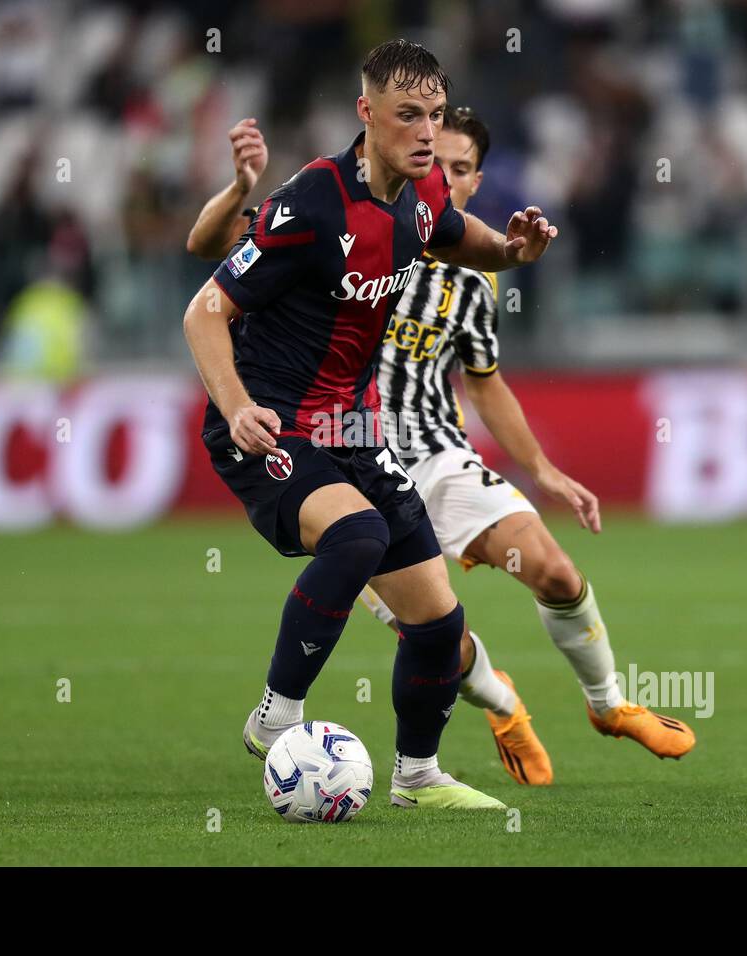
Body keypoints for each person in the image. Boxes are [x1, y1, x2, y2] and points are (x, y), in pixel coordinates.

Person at [188, 108, 696, 787]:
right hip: (350, 448)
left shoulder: (468, 275)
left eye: (459, 169)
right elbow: (213, 251)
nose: (443, 177)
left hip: (435, 452)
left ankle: (609, 705)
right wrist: (242, 186)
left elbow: (484, 384)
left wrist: (543, 468)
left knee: (553, 569)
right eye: (435, 163)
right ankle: (500, 711)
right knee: (440, 638)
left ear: (475, 180)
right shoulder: (341, 224)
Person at [180, 39, 557, 810]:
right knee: (357, 538)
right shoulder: (313, 200)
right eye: (408, 116)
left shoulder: (423, 198)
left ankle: (417, 776)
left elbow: (467, 239)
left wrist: (515, 252)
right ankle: (277, 712)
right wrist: (236, 408)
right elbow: (205, 309)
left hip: (351, 428)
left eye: (437, 116)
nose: (427, 134)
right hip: (269, 421)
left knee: (437, 619)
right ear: (367, 115)